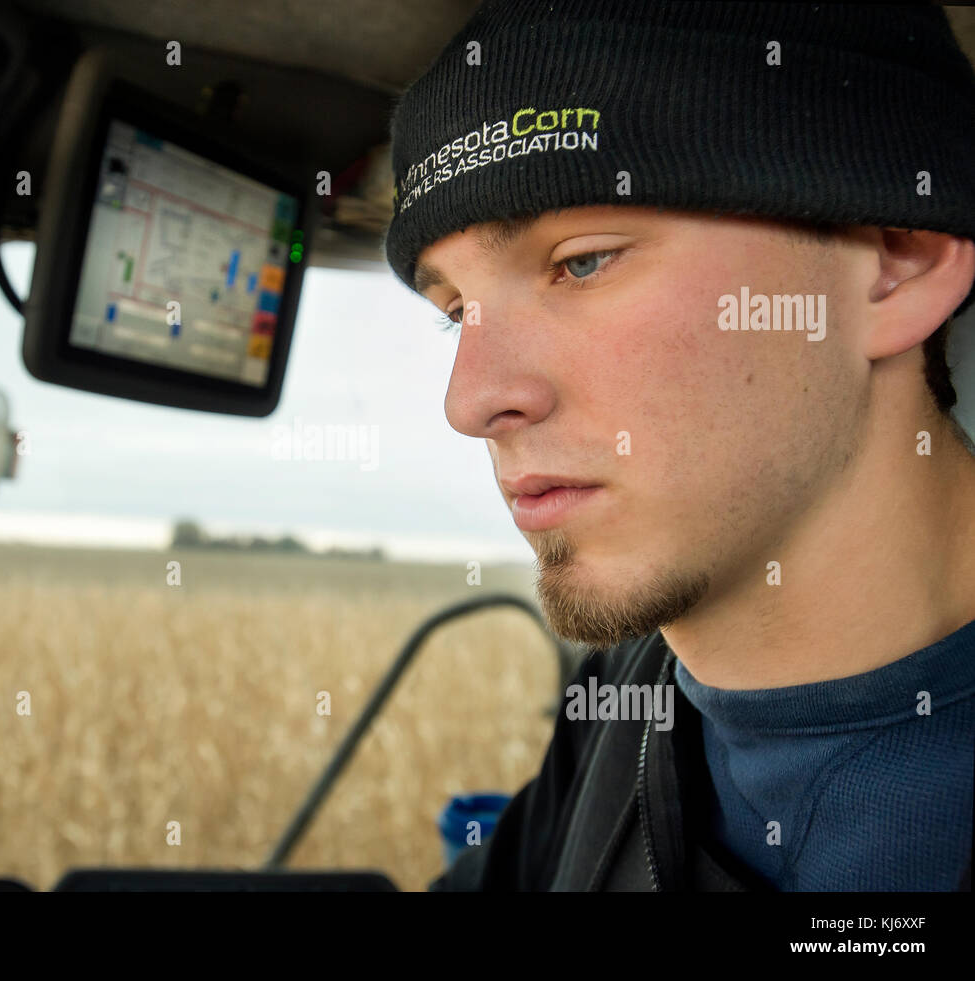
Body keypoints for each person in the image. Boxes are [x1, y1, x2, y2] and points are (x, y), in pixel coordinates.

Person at [383, 0, 975, 890]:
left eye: (582, 261)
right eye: (457, 311)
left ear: (898, 259)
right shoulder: (628, 697)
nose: (471, 400)